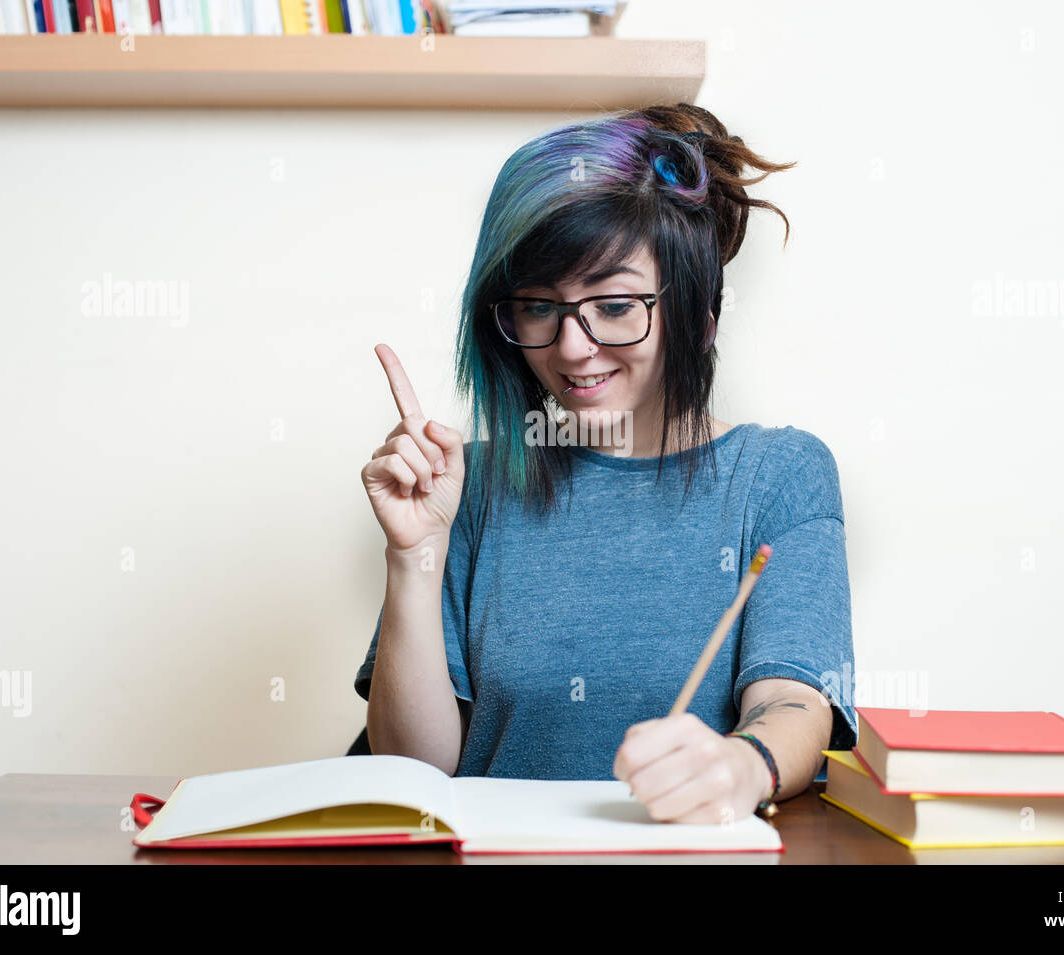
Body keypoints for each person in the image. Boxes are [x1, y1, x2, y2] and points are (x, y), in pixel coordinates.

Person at [353, 103, 856, 824]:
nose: (571, 347)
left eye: (615, 305)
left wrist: (743, 765)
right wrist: (415, 553)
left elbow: (793, 699)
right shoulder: (466, 485)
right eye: (537, 307)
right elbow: (415, 772)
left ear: (697, 311)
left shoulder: (779, 473)